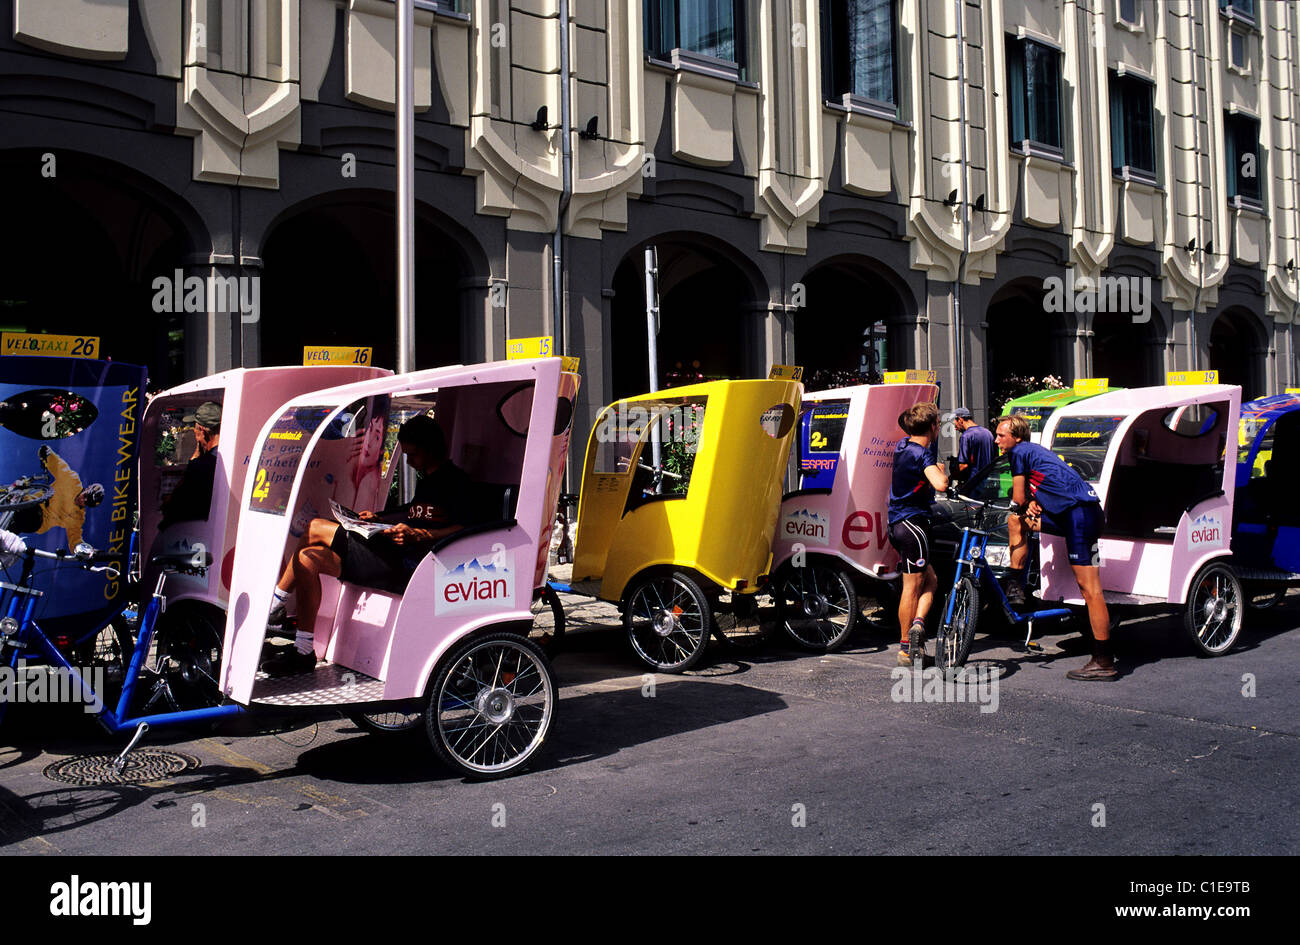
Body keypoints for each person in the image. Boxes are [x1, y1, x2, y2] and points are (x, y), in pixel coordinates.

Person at [262, 415, 477, 677]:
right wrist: (380, 520)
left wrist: (421, 536)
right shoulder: (428, 480)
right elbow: (415, 514)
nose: (409, 461)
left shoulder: (457, 482)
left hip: (407, 565)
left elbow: (466, 528)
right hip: (393, 552)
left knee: (316, 527)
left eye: (413, 454)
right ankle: (304, 650)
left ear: (430, 449)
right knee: (307, 558)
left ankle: (271, 608)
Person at [995, 415, 1116, 681]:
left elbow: (1016, 498)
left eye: (1001, 435)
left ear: (1016, 437)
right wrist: (1033, 501)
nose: (996, 440)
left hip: (1078, 517)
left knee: (1091, 591)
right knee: (1018, 521)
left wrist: (1024, 501)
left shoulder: (1018, 452)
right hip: (1085, 514)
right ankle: (1016, 584)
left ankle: (1104, 660)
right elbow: (1046, 485)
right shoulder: (1036, 452)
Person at [887, 402, 949, 666]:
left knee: (931, 580)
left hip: (896, 523)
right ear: (934, 427)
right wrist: (942, 472)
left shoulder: (903, 446)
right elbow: (940, 485)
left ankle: (918, 626)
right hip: (913, 525)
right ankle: (905, 649)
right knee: (911, 587)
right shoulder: (922, 455)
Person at [8, 444, 103, 550]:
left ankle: (5, 536)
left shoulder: (77, 518)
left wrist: (84, 550)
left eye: (86, 503)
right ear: (86, 489)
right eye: (85, 496)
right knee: (15, 496)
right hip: (29, 500)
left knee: (19, 521)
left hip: (38, 520)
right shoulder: (72, 481)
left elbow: (75, 539)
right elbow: (58, 465)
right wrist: (48, 454)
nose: (82, 500)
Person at [160, 401, 221, 527]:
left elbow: (170, 506)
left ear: (202, 432)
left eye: (195, 433)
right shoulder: (231, 459)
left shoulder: (199, 466)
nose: (196, 439)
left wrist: (193, 462)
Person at [947, 407, 995, 479]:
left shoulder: (966, 436)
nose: (955, 428)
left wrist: (950, 478)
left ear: (960, 419)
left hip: (975, 482)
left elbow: (963, 465)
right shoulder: (988, 433)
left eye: (955, 424)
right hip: (990, 481)